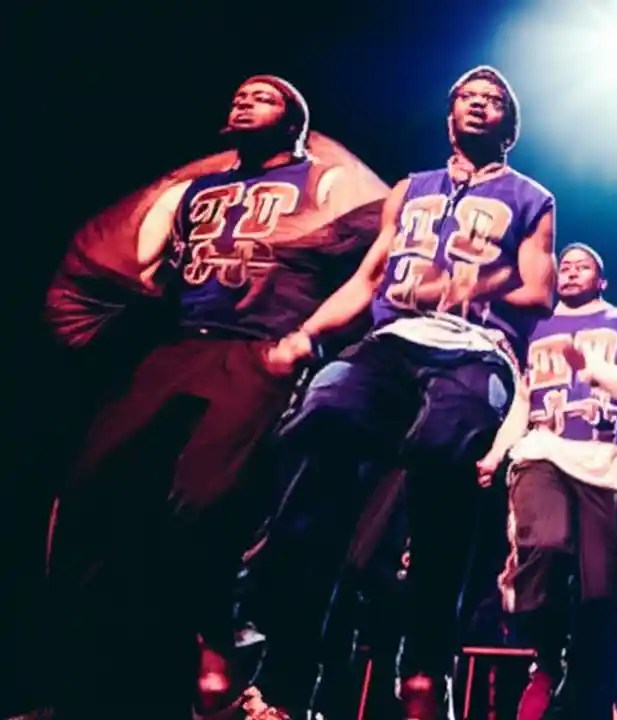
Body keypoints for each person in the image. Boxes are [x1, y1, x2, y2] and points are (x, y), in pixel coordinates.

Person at [212, 65, 556, 720]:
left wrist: (469, 284)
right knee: (318, 421)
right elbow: (369, 279)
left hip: (475, 348)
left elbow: (539, 292)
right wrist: (307, 334)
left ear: (508, 128)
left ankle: (426, 663)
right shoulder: (409, 189)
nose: (479, 105)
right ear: (449, 117)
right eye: (468, 97)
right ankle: (281, 662)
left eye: (493, 101)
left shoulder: (532, 197)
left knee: (442, 457)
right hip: (392, 342)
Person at [42, 74, 387, 718]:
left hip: (258, 348)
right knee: (92, 486)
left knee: (207, 497)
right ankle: (83, 685)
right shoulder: (198, 189)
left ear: (295, 122)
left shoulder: (323, 180)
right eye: (239, 95)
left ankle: (229, 646)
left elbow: (380, 256)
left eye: (263, 97)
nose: (243, 100)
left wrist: (307, 341)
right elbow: (144, 257)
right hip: (180, 345)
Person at [484, 243, 617, 720]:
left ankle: (576, 689)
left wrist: (594, 370)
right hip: (542, 452)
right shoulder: (536, 327)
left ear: (601, 280)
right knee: (545, 542)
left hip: (604, 462)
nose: (569, 272)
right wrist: (496, 453)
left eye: (582, 266)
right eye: (564, 266)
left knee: (600, 594)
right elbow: (522, 400)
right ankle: (545, 657)